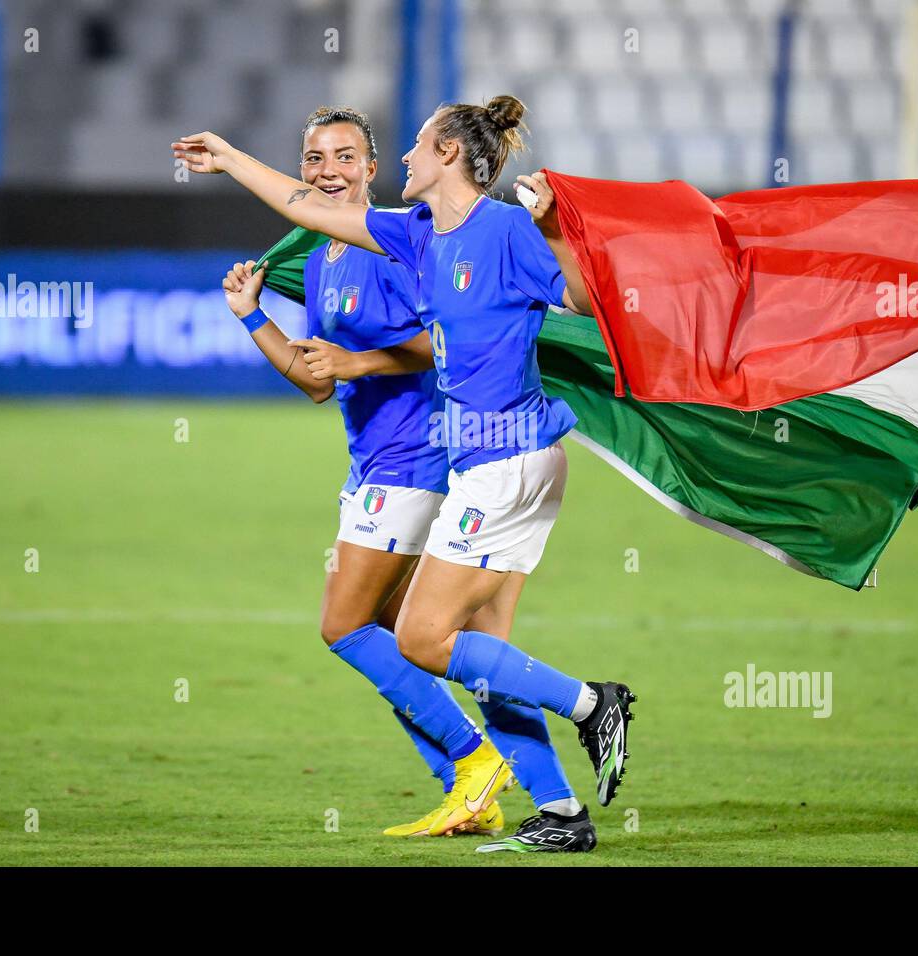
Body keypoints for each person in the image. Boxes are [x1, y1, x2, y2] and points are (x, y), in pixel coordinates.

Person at [175, 94, 633, 852]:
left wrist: (554, 228)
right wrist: (226, 162)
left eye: (413, 147)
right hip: (475, 458)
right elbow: (302, 219)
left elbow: (585, 303)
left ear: (443, 154)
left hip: (479, 459)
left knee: (396, 634)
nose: (407, 159)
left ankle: (574, 714)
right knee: (463, 647)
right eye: (317, 157)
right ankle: (558, 812)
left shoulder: (498, 231)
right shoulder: (417, 235)